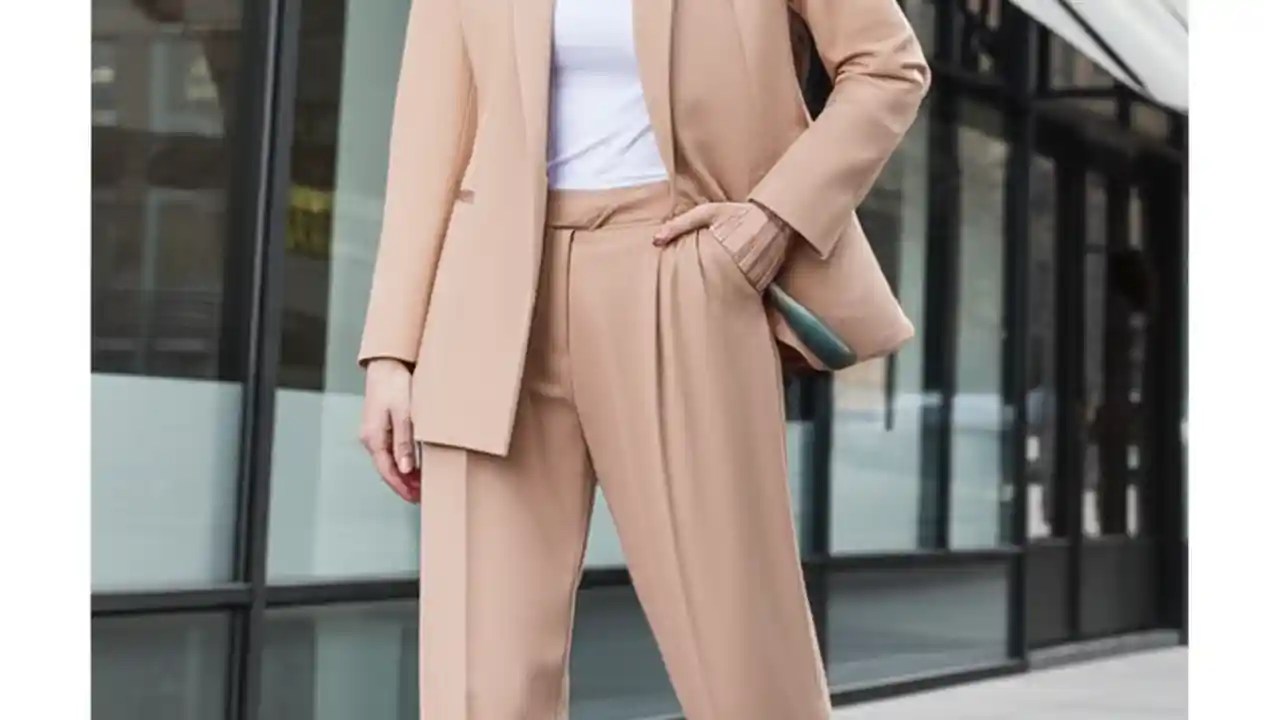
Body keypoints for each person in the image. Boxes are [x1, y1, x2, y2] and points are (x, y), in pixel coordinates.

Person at [357, 1, 930, 717]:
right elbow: (429, 135)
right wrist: (392, 351)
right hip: (490, 295)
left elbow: (886, 65)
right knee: (479, 684)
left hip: (679, 269)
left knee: (740, 657)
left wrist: (774, 218)